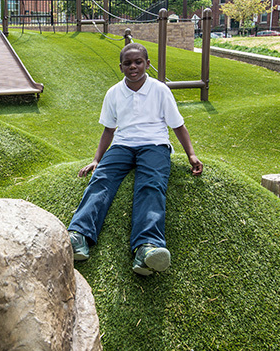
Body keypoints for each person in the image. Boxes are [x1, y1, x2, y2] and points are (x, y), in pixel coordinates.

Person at [68, 42, 203, 276]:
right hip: (122, 145)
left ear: (147, 64)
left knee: (151, 184)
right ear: (121, 67)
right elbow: (109, 130)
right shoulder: (113, 93)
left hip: (155, 145)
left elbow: (178, 125)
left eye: (138, 62)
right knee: (101, 180)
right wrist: (97, 159)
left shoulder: (160, 90)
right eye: (128, 63)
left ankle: (146, 248)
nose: (133, 66)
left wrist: (191, 154)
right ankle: (79, 236)